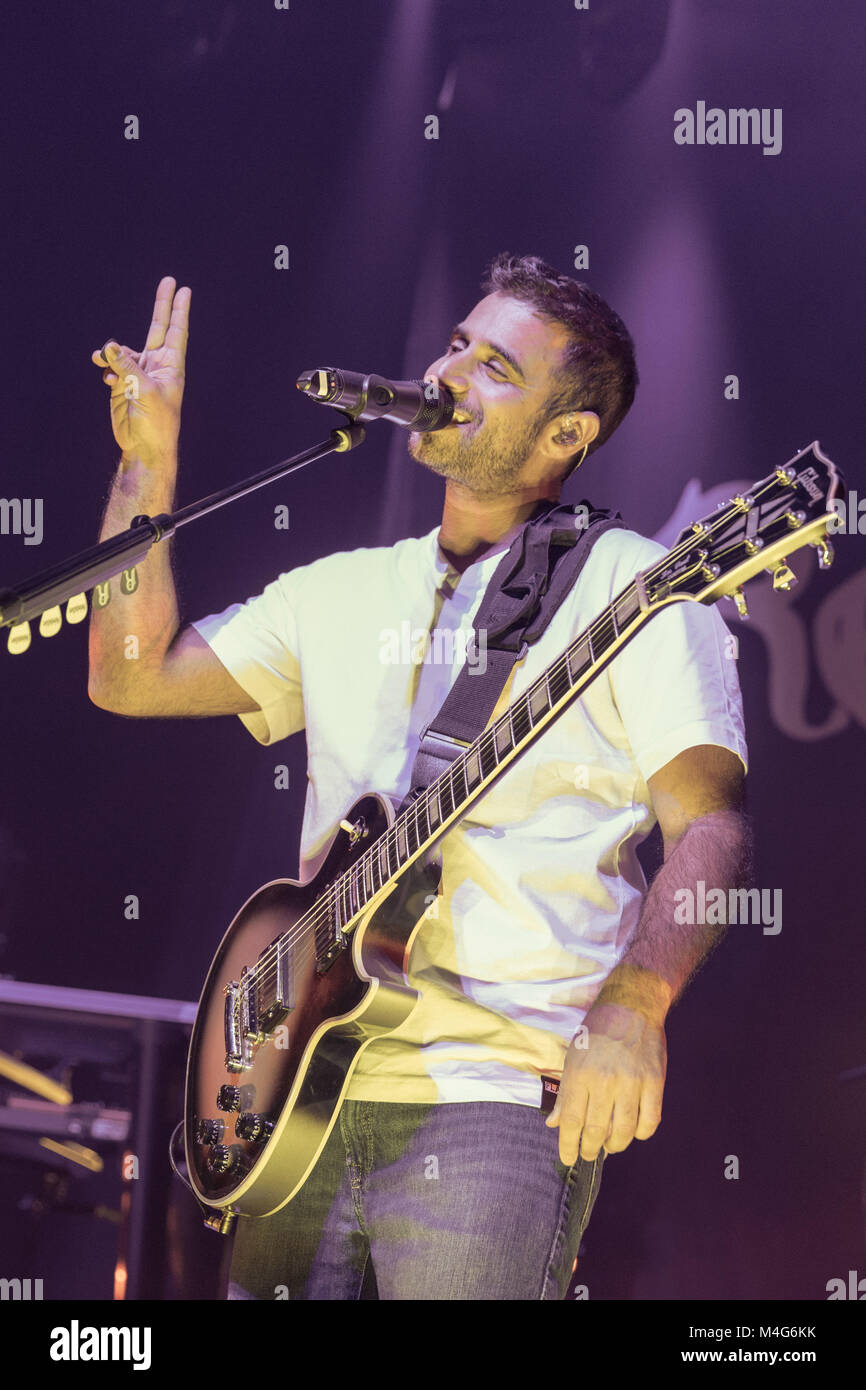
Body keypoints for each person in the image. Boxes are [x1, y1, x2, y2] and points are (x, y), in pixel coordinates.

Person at [88, 254, 750, 1300]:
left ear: (564, 433)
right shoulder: (346, 588)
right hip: (295, 1098)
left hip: (491, 1103)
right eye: (455, 345)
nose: (449, 372)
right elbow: (128, 678)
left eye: (494, 365)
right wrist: (147, 464)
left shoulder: (639, 587)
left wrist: (634, 1001)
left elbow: (710, 828)